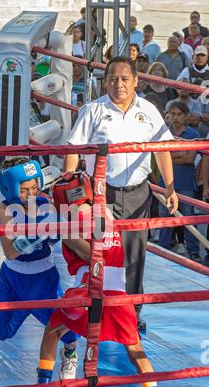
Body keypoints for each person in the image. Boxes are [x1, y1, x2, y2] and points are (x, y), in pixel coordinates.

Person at [28, 173, 174, 387]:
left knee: (52, 331)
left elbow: (96, 257)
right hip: (118, 292)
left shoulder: (74, 221)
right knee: (134, 348)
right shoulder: (105, 214)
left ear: (64, 197)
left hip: (89, 289)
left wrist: (67, 235)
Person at [63, 57, 178, 331]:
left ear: (136, 81)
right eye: (113, 79)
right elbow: (73, 150)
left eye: (125, 79)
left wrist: (170, 187)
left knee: (135, 252)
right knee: (102, 253)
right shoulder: (92, 110)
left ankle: (133, 312)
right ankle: (98, 307)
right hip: (102, 194)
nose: (119, 84)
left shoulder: (149, 110)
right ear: (106, 82)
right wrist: (70, 190)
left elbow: (162, 149)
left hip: (139, 192)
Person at [0, 157, 79, 387]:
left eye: (34, 187)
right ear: (10, 189)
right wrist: (40, 230)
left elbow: (57, 241)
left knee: (63, 324)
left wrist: (59, 227)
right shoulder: (3, 209)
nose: (31, 193)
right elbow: (10, 252)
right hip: (13, 283)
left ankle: (71, 354)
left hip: (45, 278)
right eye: (24, 190)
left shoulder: (46, 205)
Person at [158, 101, 202, 263]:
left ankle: (193, 252)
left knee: (189, 218)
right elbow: (160, 157)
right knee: (165, 217)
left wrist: (168, 156)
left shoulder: (192, 134)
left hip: (185, 183)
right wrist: (175, 155)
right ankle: (162, 251)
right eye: (172, 113)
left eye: (179, 114)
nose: (175, 117)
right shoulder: (162, 132)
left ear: (185, 116)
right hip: (165, 183)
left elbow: (189, 158)